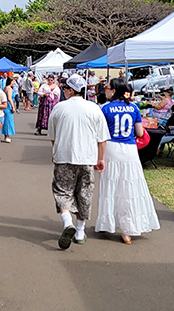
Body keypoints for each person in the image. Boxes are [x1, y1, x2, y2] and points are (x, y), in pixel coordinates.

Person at [46, 74, 109, 249]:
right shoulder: (94, 108)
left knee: (62, 191)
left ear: (71, 90)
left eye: (65, 88)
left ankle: (67, 222)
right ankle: (80, 231)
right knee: (85, 193)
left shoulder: (59, 108)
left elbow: (53, 135)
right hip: (87, 157)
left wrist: (55, 150)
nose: (64, 91)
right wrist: (101, 158)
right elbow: (102, 138)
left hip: (64, 157)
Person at [96, 78, 160, 244]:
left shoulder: (105, 108)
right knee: (130, 186)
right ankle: (128, 230)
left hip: (111, 148)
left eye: (108, 87)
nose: (105, 89)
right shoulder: (133, 108)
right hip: (130, 149)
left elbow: (100, 133)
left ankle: (108, 222)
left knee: (111, 186)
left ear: (114, 90)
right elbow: (139, 133)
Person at [1, 79, 16, 143]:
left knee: (5, 120)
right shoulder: (9, 88)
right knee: (8, 121)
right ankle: (7, 136)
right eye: (13, 81)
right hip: (8, 106)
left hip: (5, 106)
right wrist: (13, 106)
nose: (14, 82)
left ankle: (6, 135)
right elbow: (9, 98)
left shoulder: (5, 88)